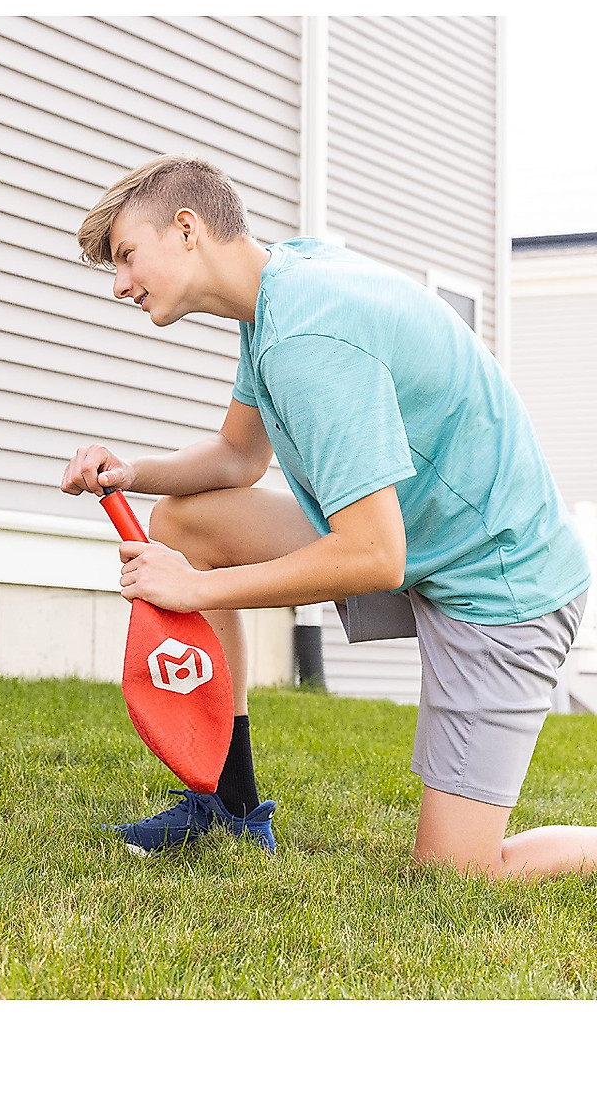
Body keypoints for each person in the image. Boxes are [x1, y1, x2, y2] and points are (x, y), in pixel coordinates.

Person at [61, 154, 593, 880]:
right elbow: (235, 458)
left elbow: (375, 557)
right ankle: (228, 802)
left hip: (501, 584)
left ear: (187, 229)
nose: (121, 284)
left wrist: (194, 590)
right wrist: (133, 473)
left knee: (455, 874)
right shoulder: (276, 289)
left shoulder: (307, 335)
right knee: (186, 524)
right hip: (417, 536)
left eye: (126, 256)